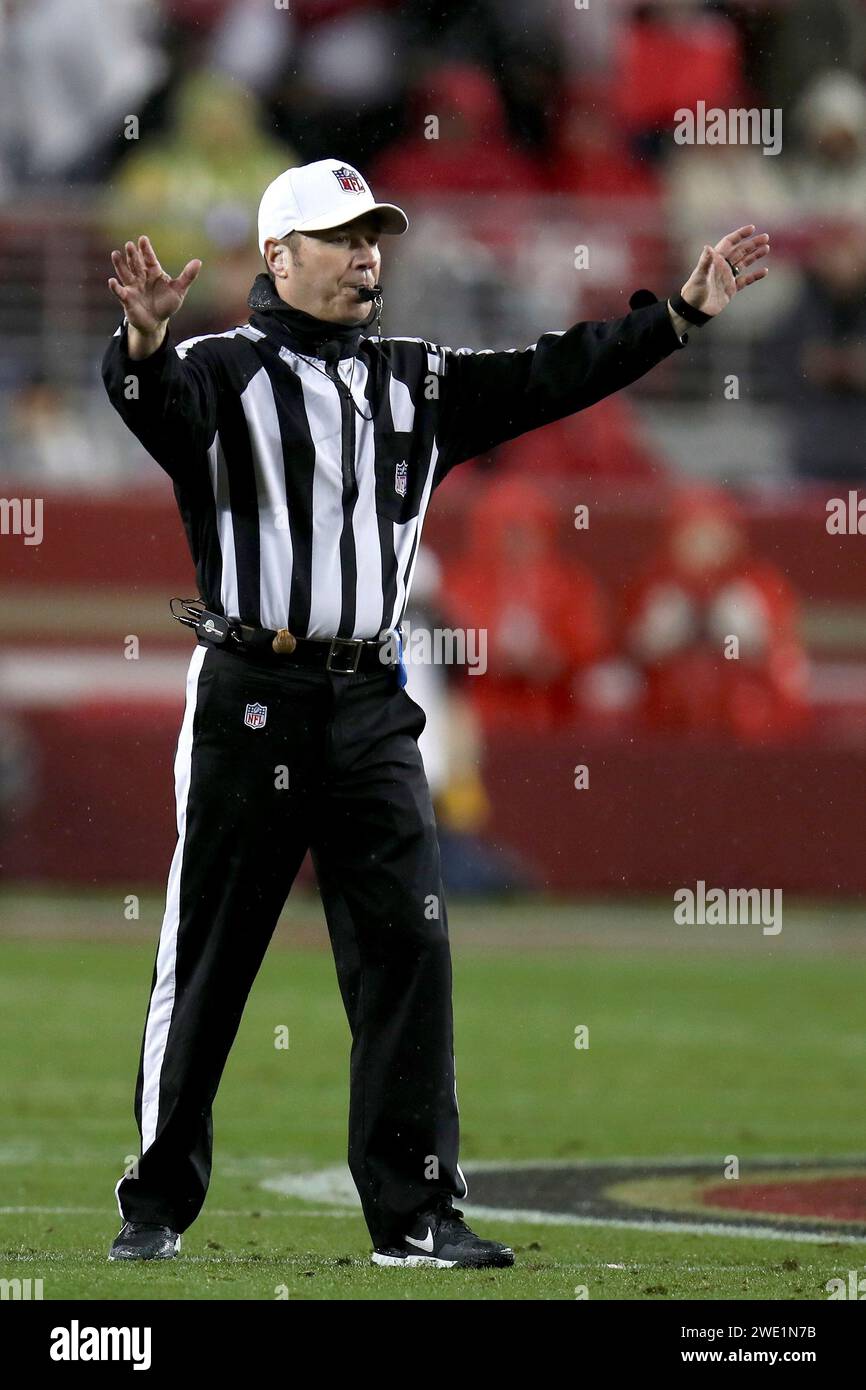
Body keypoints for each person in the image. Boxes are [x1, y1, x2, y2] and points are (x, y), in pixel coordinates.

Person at [100, 155, 769, 1269]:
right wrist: (141, 345)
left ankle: (413, 1214)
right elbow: (153, 409)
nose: (369, 254)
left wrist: (678, 316)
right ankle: (157, 1198)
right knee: (211, 952)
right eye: (343, 236)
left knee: (407, 951)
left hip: (369, 692)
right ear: (280, 254)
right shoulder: (216, 371)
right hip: (253, 694)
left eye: (376, 236)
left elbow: (552, 373)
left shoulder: (414, 378)